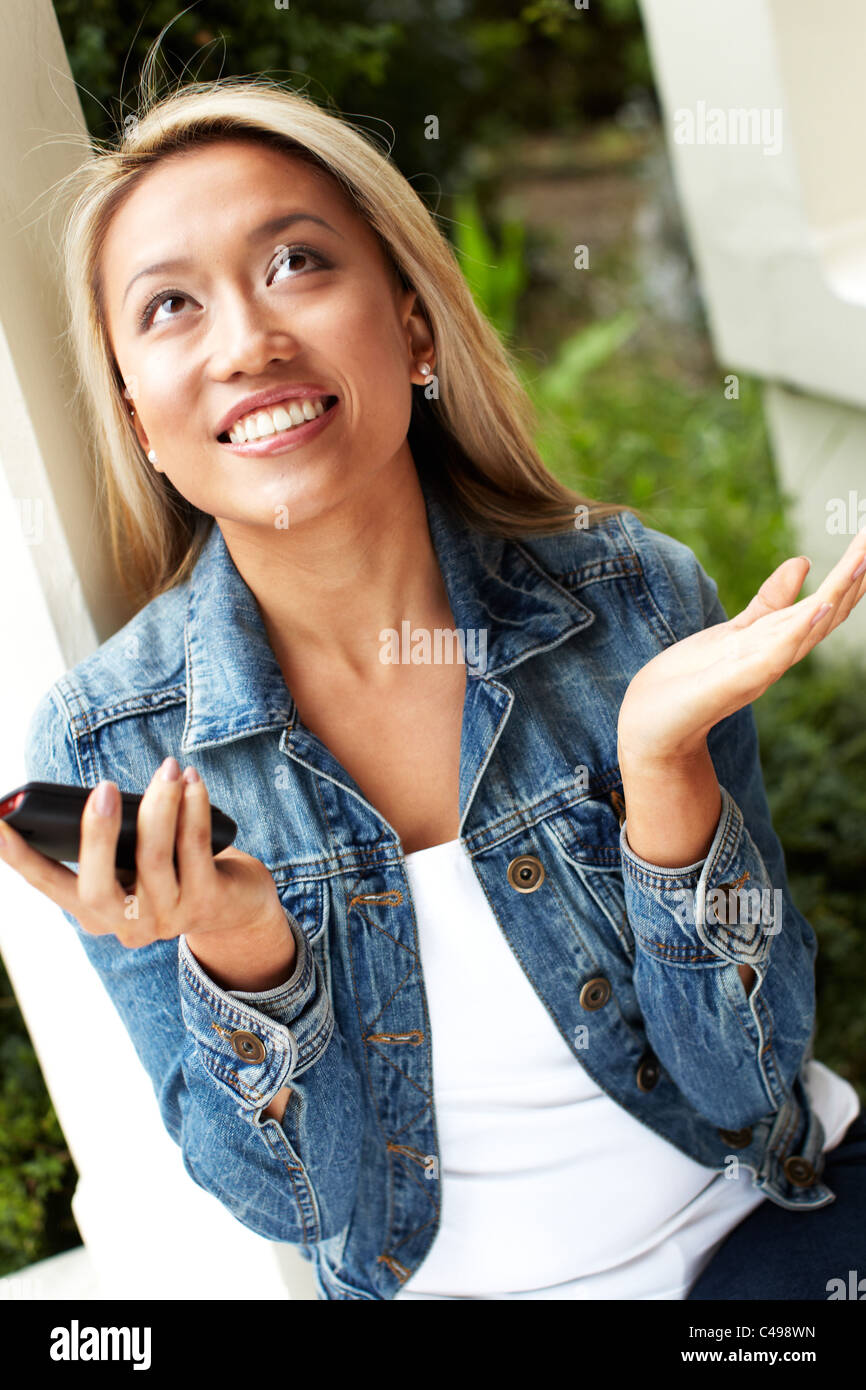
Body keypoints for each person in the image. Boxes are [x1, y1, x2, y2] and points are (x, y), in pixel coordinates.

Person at [2, 73, 864, 1301]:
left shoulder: (628, 601)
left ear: (412, 326)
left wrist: (666, 780)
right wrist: (247, 954)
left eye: (296, 262)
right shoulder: (117, 744)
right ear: (138, 414)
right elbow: (303, 1205)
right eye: (170, 307)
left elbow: (749, 1077)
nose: (248, 343)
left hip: (774, 1237)